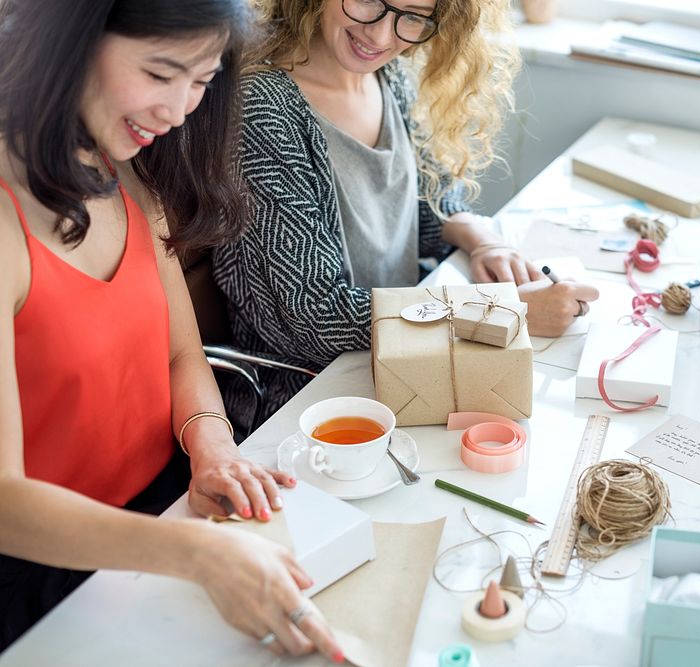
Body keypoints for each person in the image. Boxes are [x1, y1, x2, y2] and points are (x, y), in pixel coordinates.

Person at [0, 1, 341, 661]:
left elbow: (182, 354)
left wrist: (212, 445)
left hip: (163, 514)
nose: (180, 108)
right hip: (45, 569)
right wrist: (197, 552)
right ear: (70, 42)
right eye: (160, 73)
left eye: (201, 80)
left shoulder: (123, 170)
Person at [212, 0, 600, 418]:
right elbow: (314, 320)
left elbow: (419, 200)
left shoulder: (386, 74)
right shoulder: (262, 108)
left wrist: (482, 240)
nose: (380, 36)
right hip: (306, 397)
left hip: (401, 366)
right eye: (367, 1)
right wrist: (505, 313)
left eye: (414, 16)